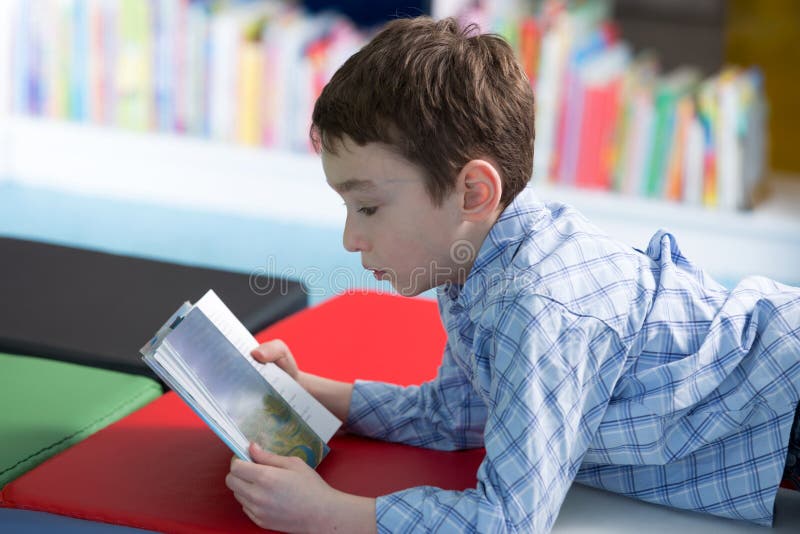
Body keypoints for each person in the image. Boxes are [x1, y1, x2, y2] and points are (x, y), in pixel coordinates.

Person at [224, 16, 800, 533]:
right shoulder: (472, 261)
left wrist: (331, 514)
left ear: (473, 192)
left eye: (368, 207)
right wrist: (317, 393)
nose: (351, 238)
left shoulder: (536, 307)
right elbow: (459, 413)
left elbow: (506, 520)